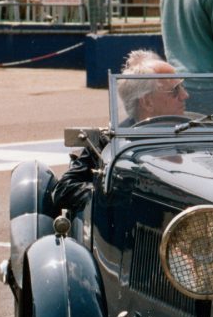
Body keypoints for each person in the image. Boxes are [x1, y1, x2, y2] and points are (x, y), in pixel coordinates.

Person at [51, 50, 188, 213]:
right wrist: (110, 194)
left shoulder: (195, 133)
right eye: (175, 91)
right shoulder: (110, 141)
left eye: (182, 87)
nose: (185, 95)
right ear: (148, 102)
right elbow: (65, 188)